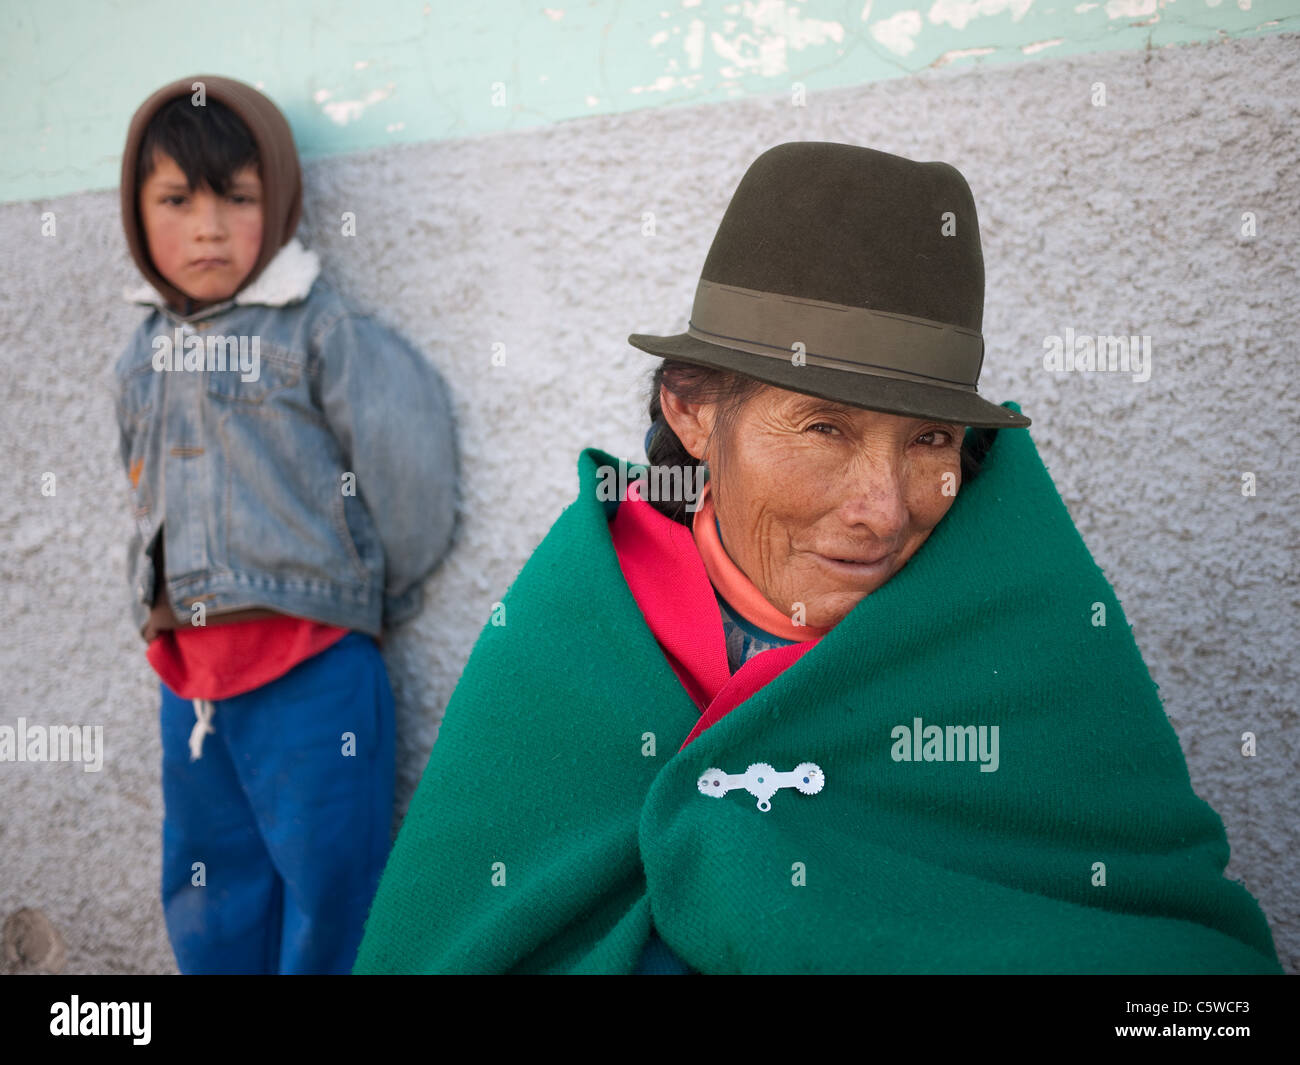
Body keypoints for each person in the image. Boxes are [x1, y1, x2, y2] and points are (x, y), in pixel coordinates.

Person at [352, 142, 1280, 974]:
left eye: (928, 442)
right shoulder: (577, 619)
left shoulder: (1031, 627)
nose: (882, 510)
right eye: (825, 427)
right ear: (693, 412)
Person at [112, 74, 458, 974]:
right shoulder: (141, 351)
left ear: (282, 201)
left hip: (312, 667)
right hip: (189, 680)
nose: (208, 227)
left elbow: (409, 467)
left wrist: (374, 593)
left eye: (237, 197)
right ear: (136, 213)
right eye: (176, 200)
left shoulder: (313, 329)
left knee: (329, 884)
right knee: (209, 882)